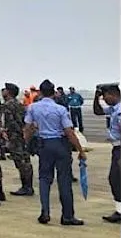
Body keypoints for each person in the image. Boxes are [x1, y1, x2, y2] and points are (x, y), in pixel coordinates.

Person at [23, 79, 86, 225]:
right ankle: (67, 216)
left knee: (44, 179)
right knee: (64, 180)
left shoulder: (32, 108)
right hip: (60, 144)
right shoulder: (60, 109)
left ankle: (45, 212)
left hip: (44, 145)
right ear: (54, 93)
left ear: (40, 92)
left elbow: (28, 128)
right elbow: (69, 132)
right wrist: (80, 150)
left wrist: (26, 143)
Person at [92, 84, 121, 223]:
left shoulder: (120, 110)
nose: (104, 99)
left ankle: (120, 212)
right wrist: (95, 98)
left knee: (115, 179)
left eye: (105, 96)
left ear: (113, 94)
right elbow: (98, 112)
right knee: (116, 180)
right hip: (117, 149)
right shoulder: (114, 109)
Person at [0, 83, 35, 196]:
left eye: (5, 90)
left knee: (20, 162)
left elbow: (11, 122)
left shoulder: (8, 105)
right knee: (25, 160)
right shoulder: (19, 104)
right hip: (22, 135)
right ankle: (28, 186)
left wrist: (8, 134)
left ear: (9, 92)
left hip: (15, 136)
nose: (3, 91)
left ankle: (26, 187)